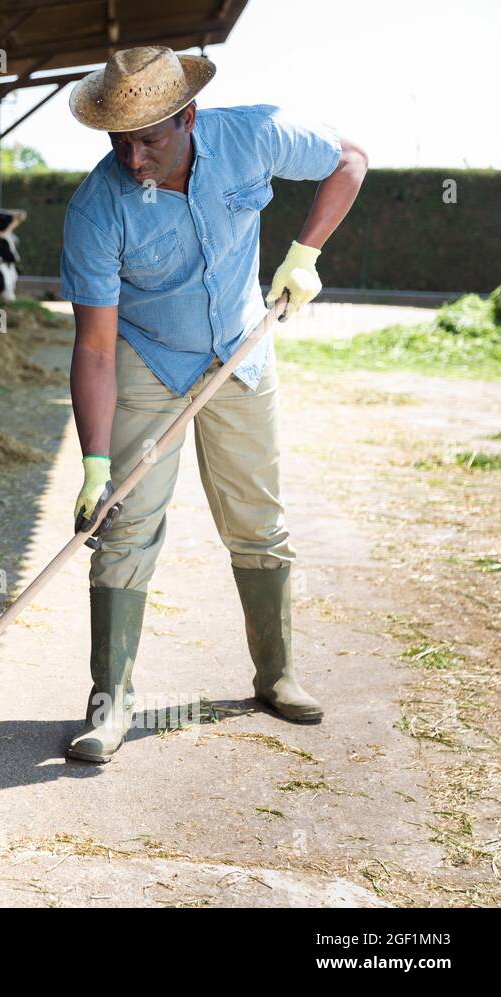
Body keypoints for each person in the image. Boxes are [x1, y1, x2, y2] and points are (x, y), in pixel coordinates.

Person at [59, 46, 368, 763]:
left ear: (189, 116)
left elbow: (348, 159)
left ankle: (278, 674)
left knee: (259, 518)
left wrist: (306, 254)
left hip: (239, 349)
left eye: (150, 140)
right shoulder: (96, 209)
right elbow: (97, 348)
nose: (132, 158)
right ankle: (109, 706)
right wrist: (96, 463)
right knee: (124, 525)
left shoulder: (252, 135)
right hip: (148, 358)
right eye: (119, 141)